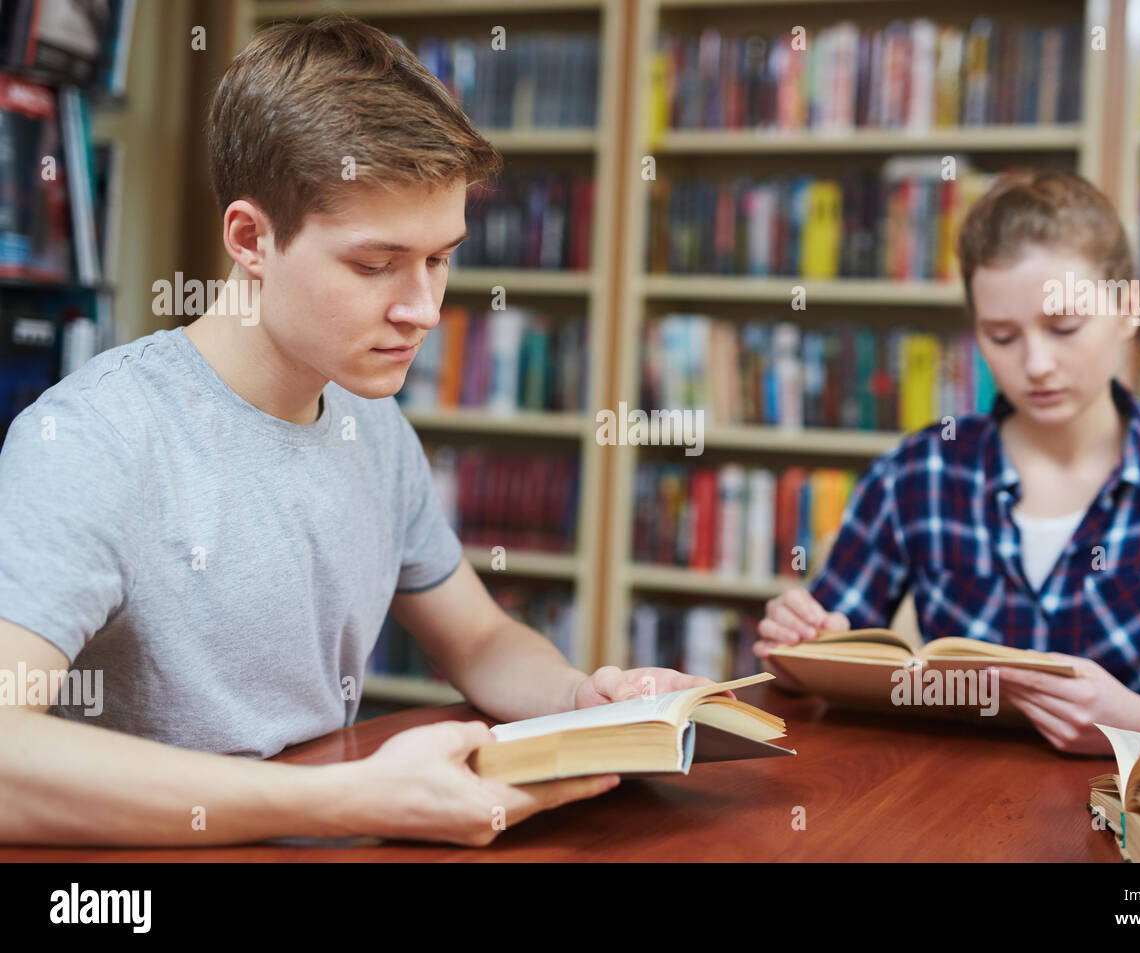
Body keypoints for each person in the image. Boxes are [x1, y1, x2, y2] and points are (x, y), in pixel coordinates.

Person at [0, 15, 720, 848]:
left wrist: (583, 700)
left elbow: (480, 638)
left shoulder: (369, 423)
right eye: (375, 265)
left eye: (440, 258)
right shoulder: (93, 441)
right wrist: (349, 800)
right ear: (250, 238)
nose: (422, 310)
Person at [756, 170, 1140, 755]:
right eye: (1002, 336)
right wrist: (798, 645)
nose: (1036, 364)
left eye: (1064, 326)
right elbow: (813, 662)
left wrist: (1138, 717)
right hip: (945, 803)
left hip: (1125, 800)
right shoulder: (919, 470)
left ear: (1127, 309)